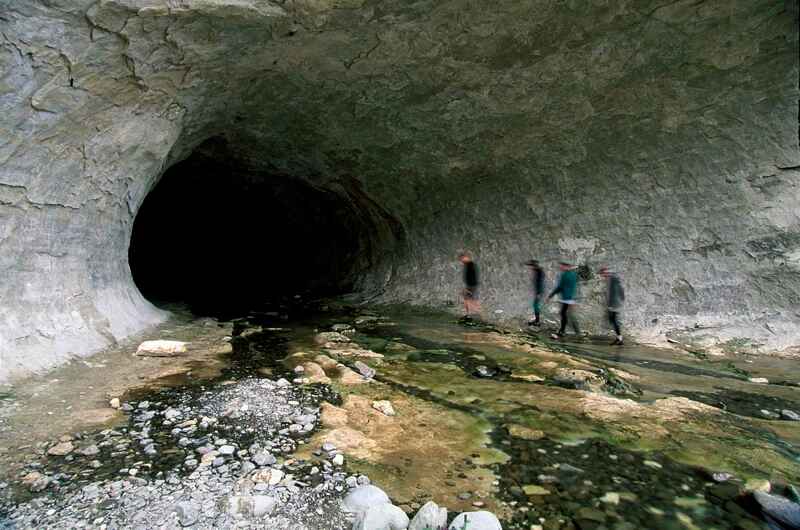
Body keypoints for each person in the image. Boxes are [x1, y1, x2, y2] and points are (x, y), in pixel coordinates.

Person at [547, 261, 580, 339]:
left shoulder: (565, 275)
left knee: (565, 314)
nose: (561, 267)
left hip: (567, 299)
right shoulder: (573, 274)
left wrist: (550, 295)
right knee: (566, 314)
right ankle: (570, 331)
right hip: (570, 298)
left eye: (562, 266)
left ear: (566, 266)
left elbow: (560, 287)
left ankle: (565, 331)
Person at [600, 266, 625, 345]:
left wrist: (611, 304)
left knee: (613, 320)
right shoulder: (611, 278)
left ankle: (620, 339)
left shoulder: (613, 278)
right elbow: (620, 289)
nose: (602, 276)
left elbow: (615, 292)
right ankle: (619, 338)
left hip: (614, 303)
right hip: (614, 303)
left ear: (605, 272)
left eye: (602, 274)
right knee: (612, 320)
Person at [459, 252, 480, 318]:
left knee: (468, 298)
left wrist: (468, 288)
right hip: (471, 285)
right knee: (470, 299)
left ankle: (470, 313)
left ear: (466, 257)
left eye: (462, 259)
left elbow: (473, 277)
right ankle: (472, 313)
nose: (461, 261)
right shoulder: (469, 264)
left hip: (472, 285)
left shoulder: (470, 264)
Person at [525, 260, 545, 326]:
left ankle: (537, 321)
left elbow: (540, 283)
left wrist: (539, 293)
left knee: (535, 305)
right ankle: (537, 320)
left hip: (539, 291)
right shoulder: (538, 271)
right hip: (538, 291)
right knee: (535, 305)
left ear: (533, 266)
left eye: (530, 266)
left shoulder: (539, 272)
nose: (530, 268)